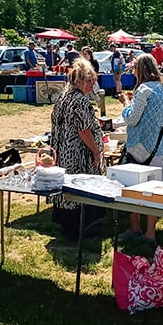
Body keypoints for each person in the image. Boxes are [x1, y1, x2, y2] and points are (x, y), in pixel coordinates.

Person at [116, 54, 163, 244]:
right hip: (157, 144)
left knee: (134, 189)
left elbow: (131, 119)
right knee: (153, 191)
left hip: (140, 146)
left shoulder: (144, 89)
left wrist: (125, 104)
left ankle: (135, 227)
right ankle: (150, 232)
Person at [49, 58, 106, 238]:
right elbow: (84, 130)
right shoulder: (80, 100)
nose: (93, 87)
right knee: (79, 186)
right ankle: (79, 227)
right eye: (92, 82)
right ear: (85, 80)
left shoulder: (64, 95)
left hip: (62, 149)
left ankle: (66, 224)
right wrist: (96, 152)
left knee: (66, 187)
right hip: (76, 153)